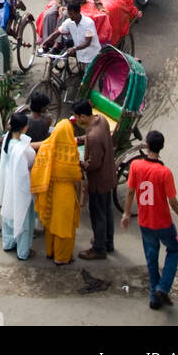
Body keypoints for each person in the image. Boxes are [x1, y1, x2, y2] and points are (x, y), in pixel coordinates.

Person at [122, 129, 178, 310]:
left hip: (145, 222)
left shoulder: (136, 166)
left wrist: (126, 213)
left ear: (146, 145)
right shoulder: (164, 172)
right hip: (163, 222)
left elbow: (130, 191)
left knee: (151, 258)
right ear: (162, 148)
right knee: (174, 249)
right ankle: (163, 287)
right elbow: (173, 201)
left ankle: (154, 297)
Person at [30, 117, 83, 265]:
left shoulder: (48, 146)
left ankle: (50, 252)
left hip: (49, 191)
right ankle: (62, 257)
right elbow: (76, 175)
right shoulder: (70, 151)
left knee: (51, 224)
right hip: (65, 193)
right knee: (64, 226)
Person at [72, 99, 118, 260]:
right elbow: (90, 137)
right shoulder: (101, 121)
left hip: (99, 180)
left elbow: (93, 164)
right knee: (106, 211)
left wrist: (79, 163)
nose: (76, 121)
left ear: (83, 116)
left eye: (77, 117)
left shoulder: (94, 137)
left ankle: (99, 249)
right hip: (109, 175)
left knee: (97, 214)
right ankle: (107, 242)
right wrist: (80, 140)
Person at [0, 109, 37, 259]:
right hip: (20, 187)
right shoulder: (21, 149)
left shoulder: (8, 138)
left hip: (8, 182)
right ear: (24, 127)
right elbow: (30, 163)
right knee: (23, 219)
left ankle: (8, 243)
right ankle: (23, 251)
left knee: (8, 215)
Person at [42, 2, 100, 67]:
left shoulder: (89, 23)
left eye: (72, 14)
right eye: (69, 14)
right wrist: (45, 42)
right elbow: (57, 33)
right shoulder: (69, 22)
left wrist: (74, 48)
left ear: (78, 12)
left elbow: (87, 42)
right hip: (81, 55)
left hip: (92, 55)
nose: (70, 16)